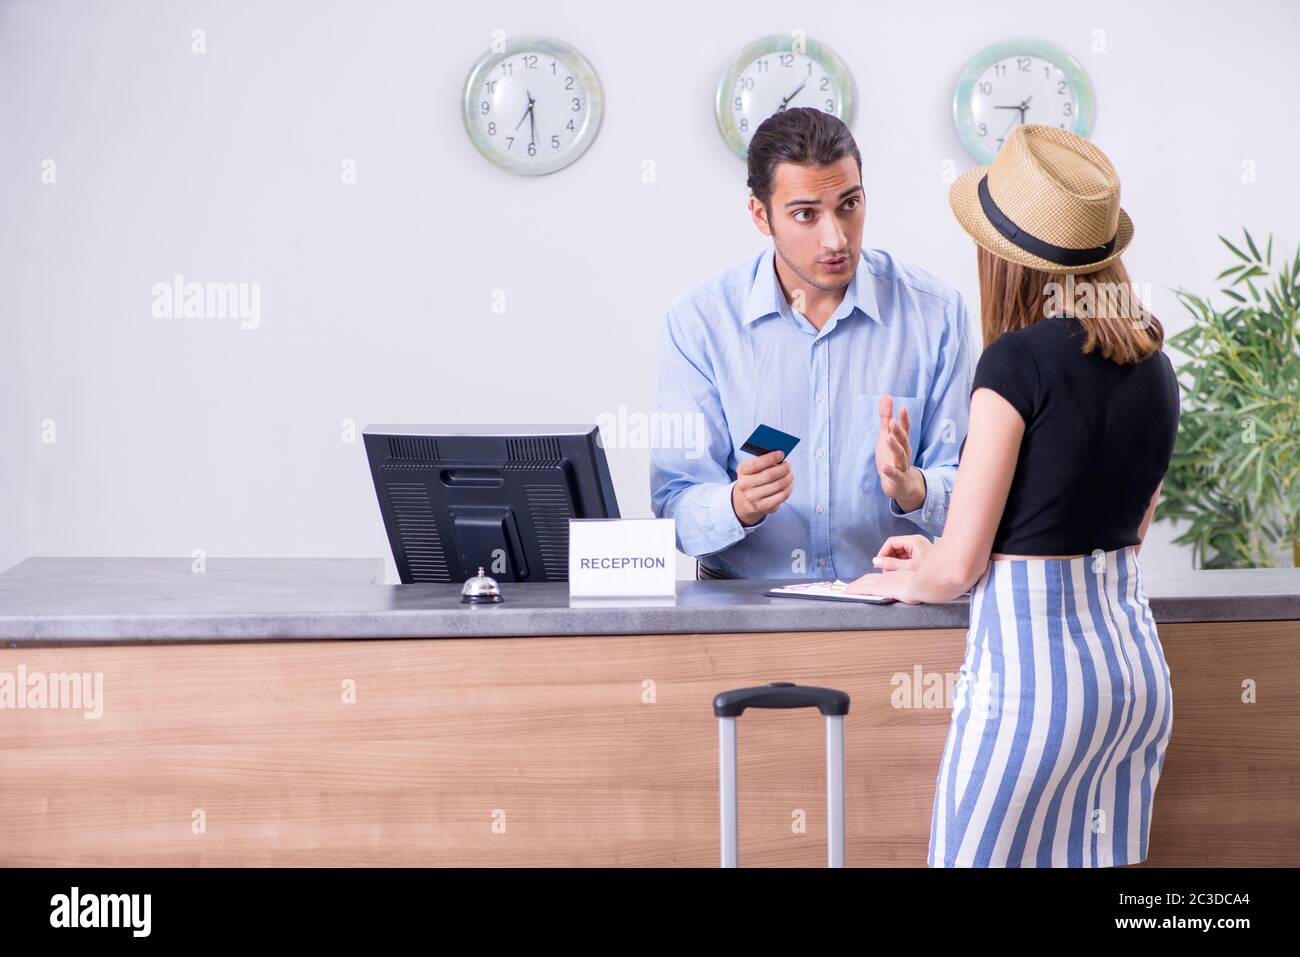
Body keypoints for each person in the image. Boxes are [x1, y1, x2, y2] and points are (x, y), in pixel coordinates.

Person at [848, 124, 1180, 867]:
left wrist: (910, 574)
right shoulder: (1155, 360)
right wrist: (939, 548)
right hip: (1132, 679)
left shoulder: (1014, 364)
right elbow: (1108, 528)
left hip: (1037, 691)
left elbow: (960, 569)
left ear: (1005, 257)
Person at [650, 107, 974, 580]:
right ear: (761, 215)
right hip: (742, 618)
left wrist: (915, 488)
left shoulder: (937, 313)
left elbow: (975, 493)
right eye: (805, 214)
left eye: (849, 204)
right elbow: (674, 504)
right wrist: (737, 505)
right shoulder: (699, 322)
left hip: (891, 608)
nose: (836, 238)